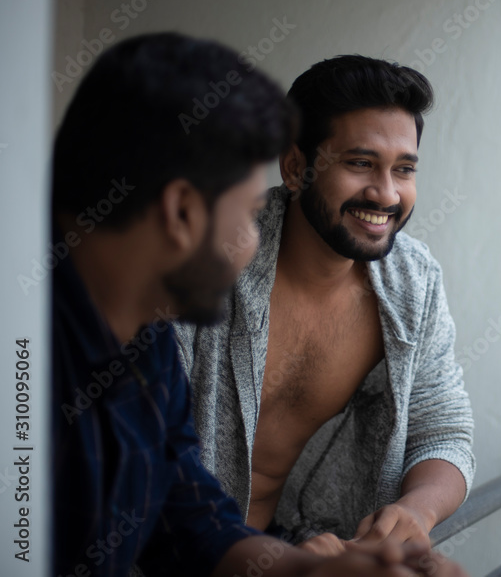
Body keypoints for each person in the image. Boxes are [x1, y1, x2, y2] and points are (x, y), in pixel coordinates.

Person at [51, 33, 466, 576]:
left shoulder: (142, 339)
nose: (386, 193)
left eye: (405, 169)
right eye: (248, 211)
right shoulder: (39, 346)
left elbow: (189, 517)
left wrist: (311, 570)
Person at [177, 55, 475, 553]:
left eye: (403, 169)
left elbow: (443, 429)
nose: (385, 193)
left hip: (310, 555)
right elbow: (149, 457)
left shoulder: (413, 281)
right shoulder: (213, 262)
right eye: (360, 163)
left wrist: (415, 511)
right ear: (296, 166)